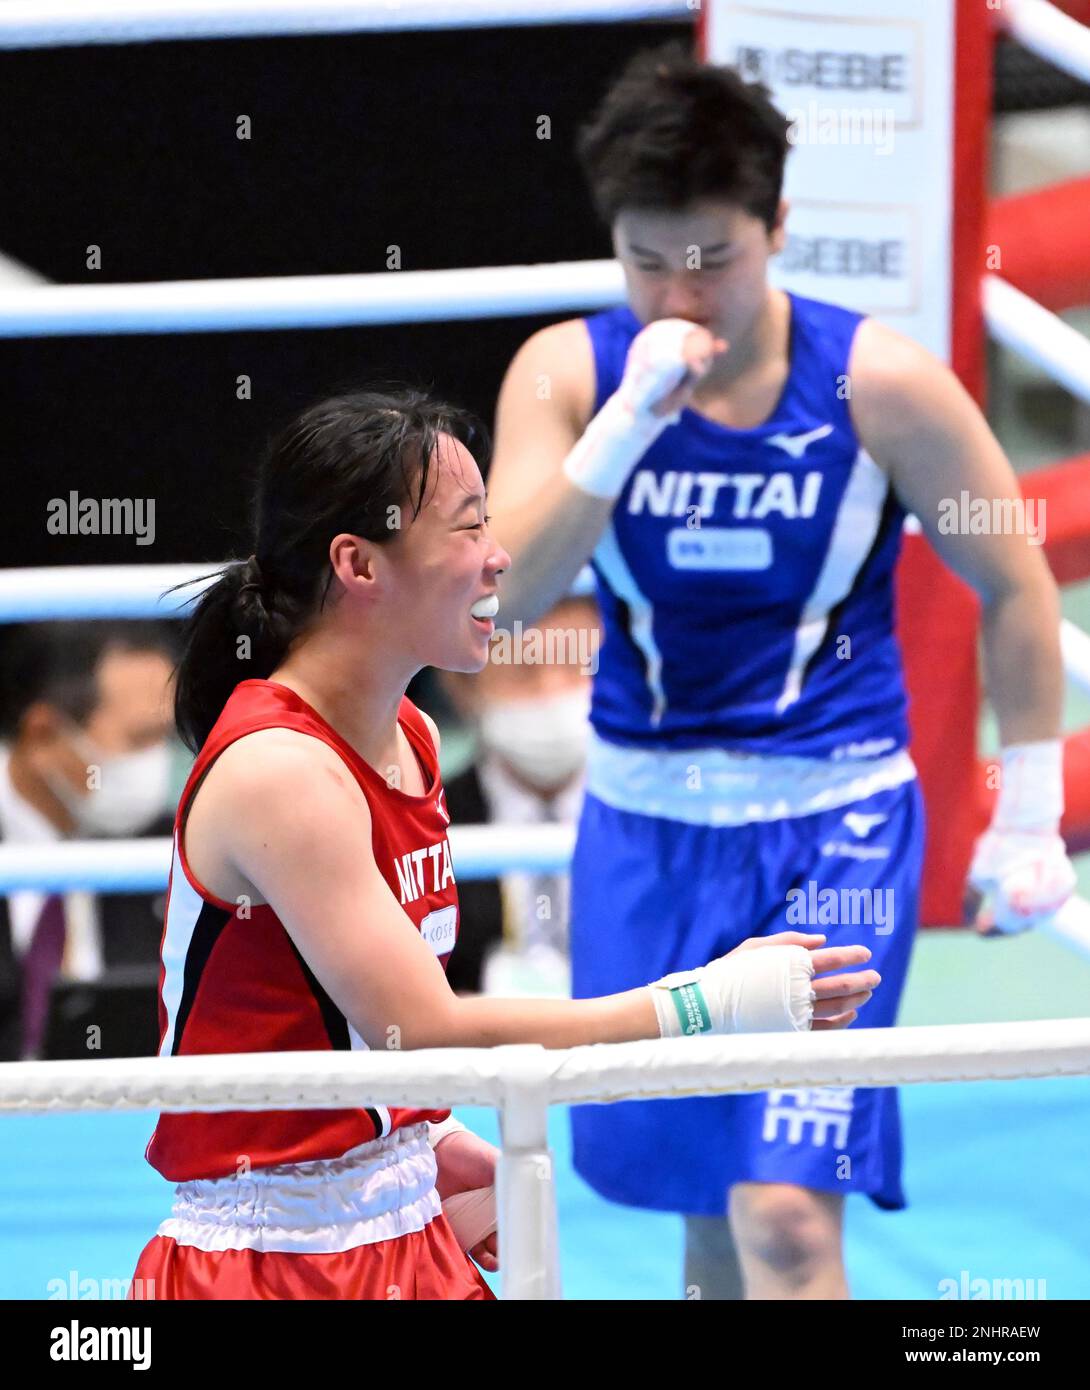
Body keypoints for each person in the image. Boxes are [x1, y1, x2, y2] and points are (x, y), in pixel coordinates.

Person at [484, 44, 1076, 1300]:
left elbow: (1014, 582)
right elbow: (506, 603)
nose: (678, 294)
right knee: (705, 1207)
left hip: (838, 829)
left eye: (713, 258)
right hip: (645, 831)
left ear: (779, 227)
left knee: (787, 1215)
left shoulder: (881, 383)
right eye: (647, 261)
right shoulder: (569, 374)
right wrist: (623, 427)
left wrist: (1024, 811)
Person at [129, 387, 879, 1302]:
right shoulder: (280, 772)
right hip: (267, 1263)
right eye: (468, 528)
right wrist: (699, 1004)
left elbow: (360, 1013)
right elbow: (430, 1029)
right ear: (359, 564)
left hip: (401, 1229)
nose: (499, 560)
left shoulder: (413, 738)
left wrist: (415, 1142)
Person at [0, 621, 180, 1061]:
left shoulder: (177, 850)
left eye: (167, 737)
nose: (158, 762)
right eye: (140, 740)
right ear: (42, 732)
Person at [439, 593, 600, 997]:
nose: (552, 692)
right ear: (462, 686)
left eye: (578, 669)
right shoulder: (426, 820)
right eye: (523, 672)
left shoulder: (658, 820)